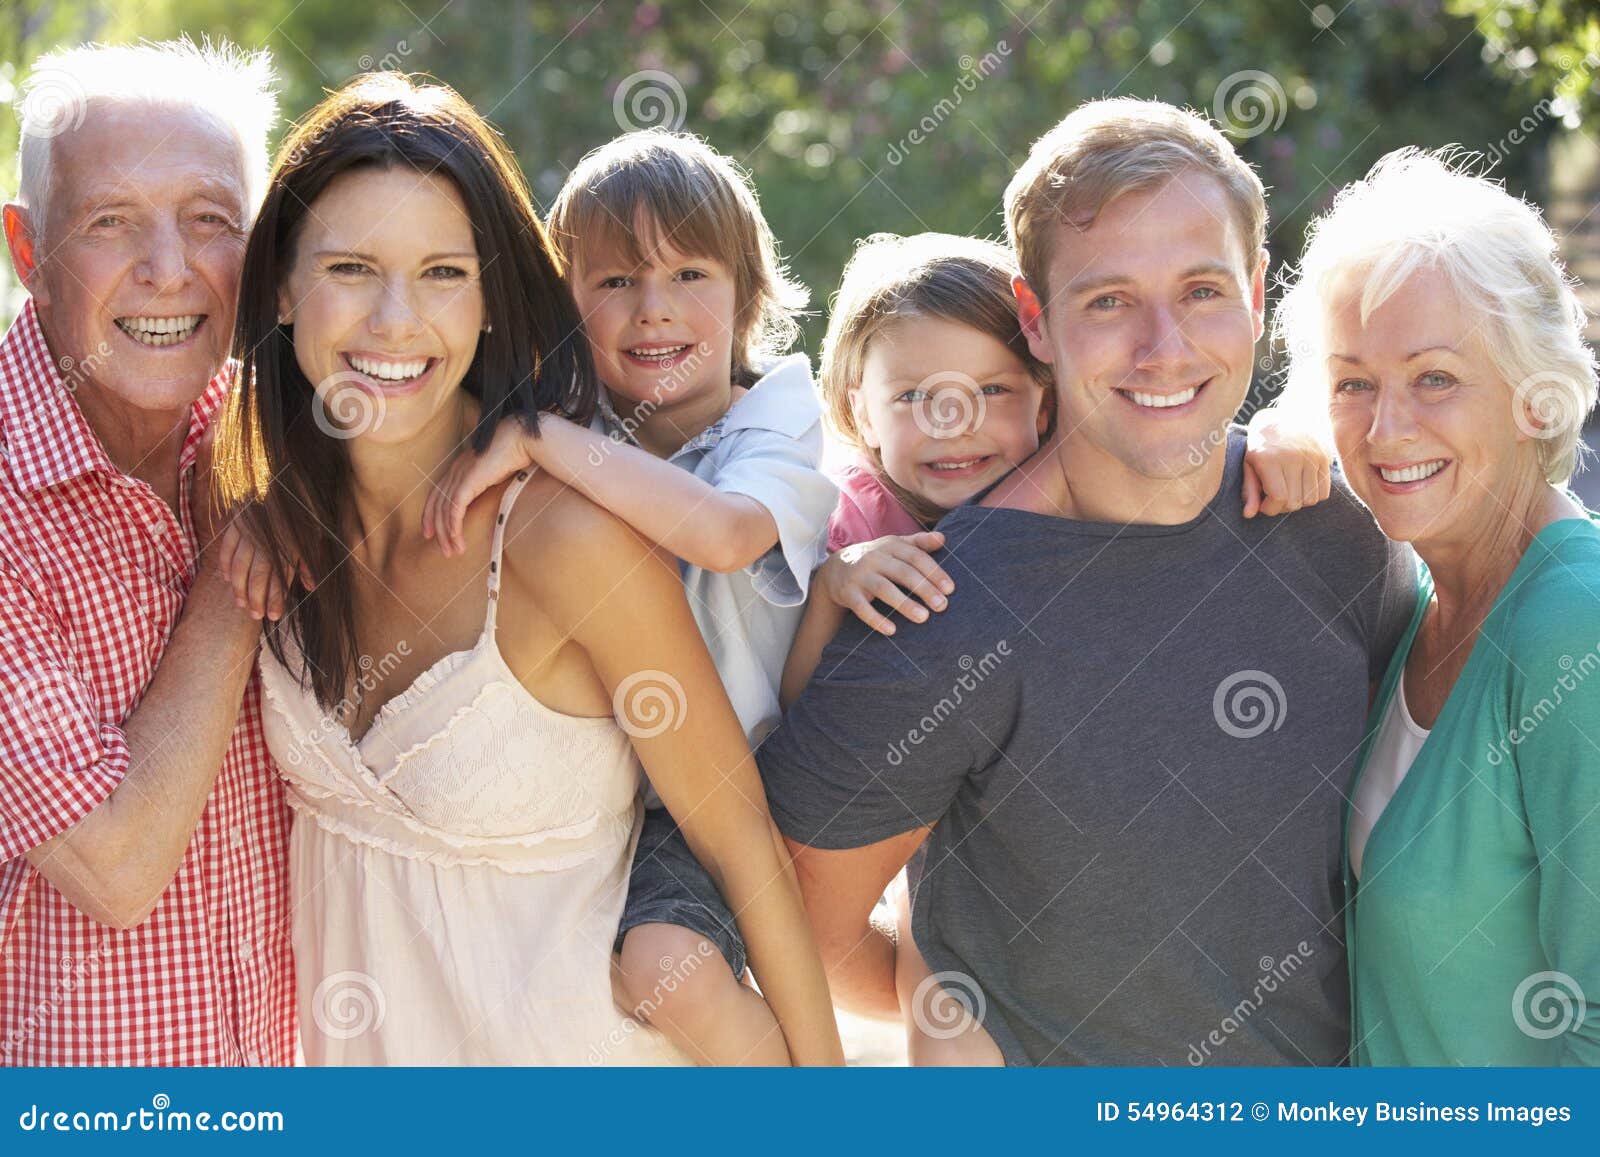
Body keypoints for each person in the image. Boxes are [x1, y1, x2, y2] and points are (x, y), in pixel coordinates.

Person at [760, 97, 1417, 1066]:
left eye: (1200, 290)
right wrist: (967, 1011)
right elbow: (800, 926)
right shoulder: (937, 607)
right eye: (1108, 300)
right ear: (1034, 317)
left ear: (1254, 289)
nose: (1163, 347)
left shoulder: (1334, 533)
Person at [214, 76, 841, 1066]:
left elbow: (740, 843)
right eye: (349, 266)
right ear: (283, 288)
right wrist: (254, 513)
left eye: (442, 273)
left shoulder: (566, 535)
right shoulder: (262, 520)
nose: (393, 318)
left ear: (494, 297)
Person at [419, 129, 838, 1064]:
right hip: (612, 792)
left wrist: (543, 442)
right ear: (567, 307)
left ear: (748, 295)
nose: (654, 311)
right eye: (614, 282)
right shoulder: (579, 417)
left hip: (754, 787)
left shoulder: (775, 415)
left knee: (660, 967)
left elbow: (725, 534)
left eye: (690, 274)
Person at [0, 39, 294, 1067]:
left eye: (209, 219)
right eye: (111, 221)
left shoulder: (284, 430)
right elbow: (115, 865)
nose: (168, 269)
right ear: (29, 252)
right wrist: (236, 568)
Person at [1275, 148, 1600, 1065]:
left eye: (1435, 378)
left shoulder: (1577, 626)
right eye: (1353, 383)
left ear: (1534, 393)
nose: (1386, 429)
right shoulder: (1415, 599)